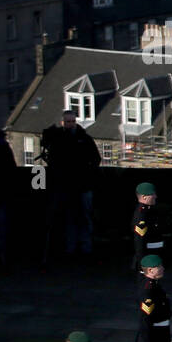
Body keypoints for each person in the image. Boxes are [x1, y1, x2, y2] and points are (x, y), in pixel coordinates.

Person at [40, 109, 101, 261]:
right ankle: (71, 248)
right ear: (63, 122)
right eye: (68, 121)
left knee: (84, 217)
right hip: (66, 186)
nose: (70, 124)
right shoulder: (58, 139)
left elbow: (95, 159)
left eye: (72, 121)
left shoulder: (84, 139)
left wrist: (87, 174)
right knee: (70, 218)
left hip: (82, 185)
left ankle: (85, 248)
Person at [0, 128, 15, 270]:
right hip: (1, 195)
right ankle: (3, 261)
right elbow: (11, 169)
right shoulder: (3, 148)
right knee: (1, 230)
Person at [130, 182, 169, 271]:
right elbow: (139, 243)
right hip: (148, 261)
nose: (156, 196)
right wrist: (143, 266)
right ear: (144, 197)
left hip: (155, 258)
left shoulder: (150, 211)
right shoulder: (142, 215)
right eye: (153, 194)